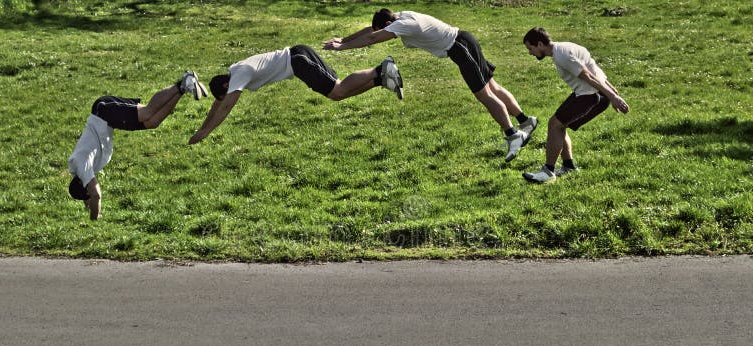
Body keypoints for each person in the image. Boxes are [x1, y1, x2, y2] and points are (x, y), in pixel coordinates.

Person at [323, 8, 537, 162]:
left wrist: (342, 48)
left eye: (384, 31)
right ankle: (525, 121)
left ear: (388, 25)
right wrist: (343, 39)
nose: (384, 35)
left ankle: (513, 135)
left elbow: (371, 38)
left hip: (460, 48)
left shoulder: (404, 23)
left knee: (485, 94)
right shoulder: (401, 14)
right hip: (464, 42)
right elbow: (370, 31)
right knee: (493, 87)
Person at [188, 45, 403, 144]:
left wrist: (207, 133)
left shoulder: (239, 75)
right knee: (338, 93)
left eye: (226, 93)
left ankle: (380, 68)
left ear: (226, 84)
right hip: (299, 56)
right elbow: (219, 104)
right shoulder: (234, 71)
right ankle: (380, 79)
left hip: (299, 63)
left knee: (338, 89)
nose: (229, 96)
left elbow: (226, 106)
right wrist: (201, 130)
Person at [68, 71, 207, 219]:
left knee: (147, 113)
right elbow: (89, 197)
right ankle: (182, 89)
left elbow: (95, 195)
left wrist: (94, 218)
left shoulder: (81, 165)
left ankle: (182, 81)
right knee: (152, 122)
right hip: (107, 120)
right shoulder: (81, 171)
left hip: (103, 111)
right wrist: (87, 200)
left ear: (85, 185)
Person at [521, 27, 630, 183]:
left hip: (590, 97)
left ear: (539, 44)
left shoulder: (562, 55)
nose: (530, 53)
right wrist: (612, 93)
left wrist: (613, 97)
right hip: (591, 94)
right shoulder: (567, 47)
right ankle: (568, 166)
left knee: (555, 125)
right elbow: (595, 71)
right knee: (558, 124)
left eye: (530, 48)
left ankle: (548, 172)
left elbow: (589, 76)